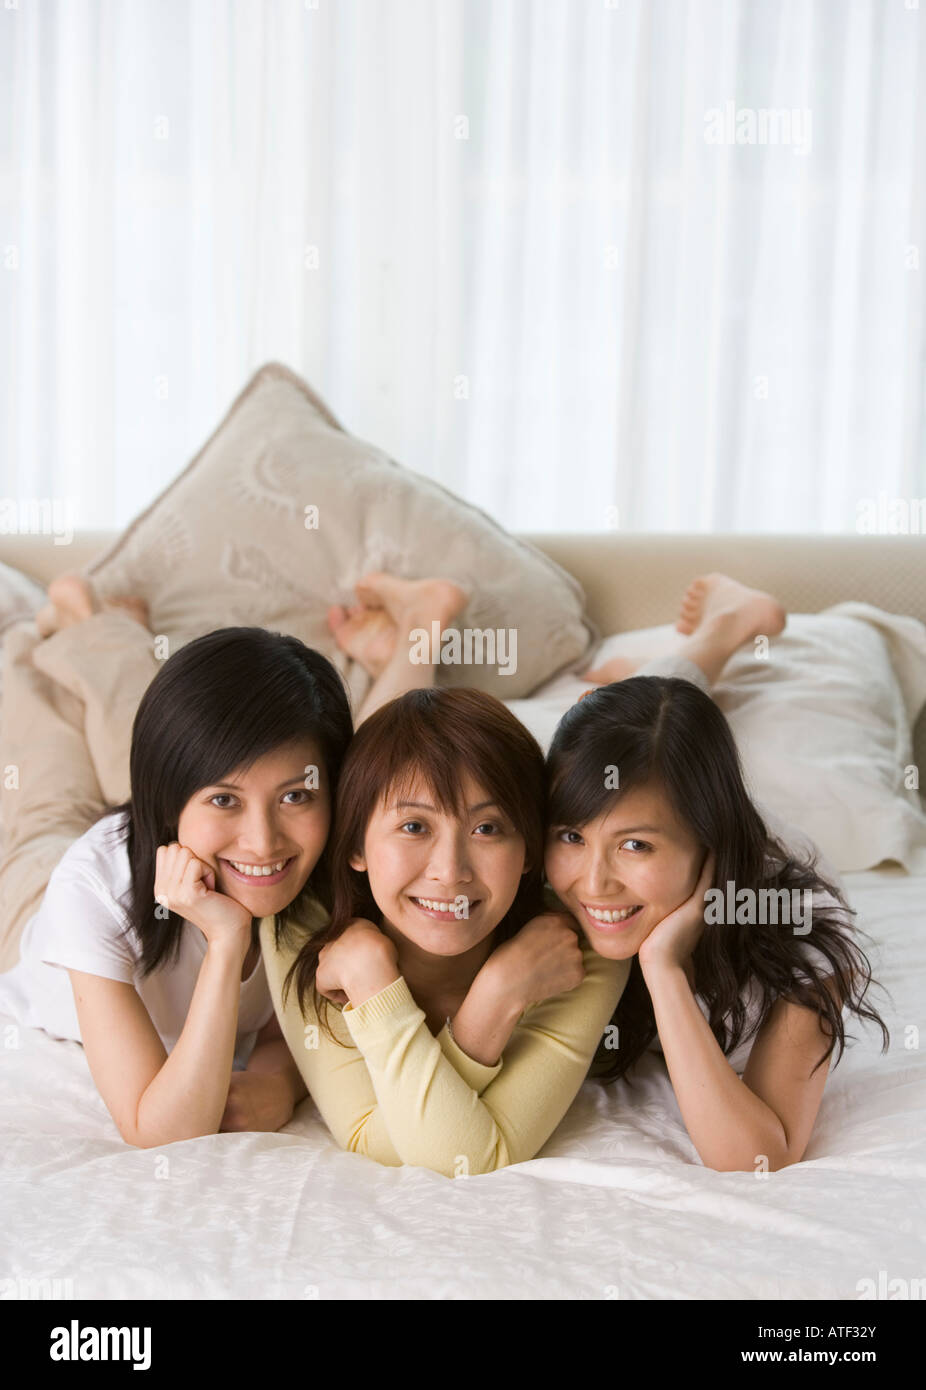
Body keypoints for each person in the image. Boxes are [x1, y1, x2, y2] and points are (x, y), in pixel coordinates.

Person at [0, 576, 353, 1146]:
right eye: (225, 799)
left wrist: (279, 1078)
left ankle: (103, 629)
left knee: (162, 752)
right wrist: (227, 938)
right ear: (169, 801)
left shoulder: (334, 860)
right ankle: (71, 618)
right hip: (36, 900)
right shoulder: (90, 887)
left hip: (168, 835)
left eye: (295, 795)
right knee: (46, 787)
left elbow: (281, 1027)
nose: (264, 844)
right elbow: (159, 1130)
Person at [260, 685, 630, 1176]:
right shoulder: (302, 920)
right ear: (356, 847)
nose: (450, 871)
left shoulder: (581, 941)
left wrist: (496, 993)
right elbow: (372, 1138)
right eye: (414, 827)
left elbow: (464, 1159)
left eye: (488, 829)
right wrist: (485, 1013)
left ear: (528, 853)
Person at [543, 673, 890, 1172]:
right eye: (572, 836)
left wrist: (663, 971)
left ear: (709, 846)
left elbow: (757, 1157)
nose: (594, 884)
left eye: (636, 845)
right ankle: (708, 642)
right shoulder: (542, 875)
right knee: (647, 718)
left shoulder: (798, 921)